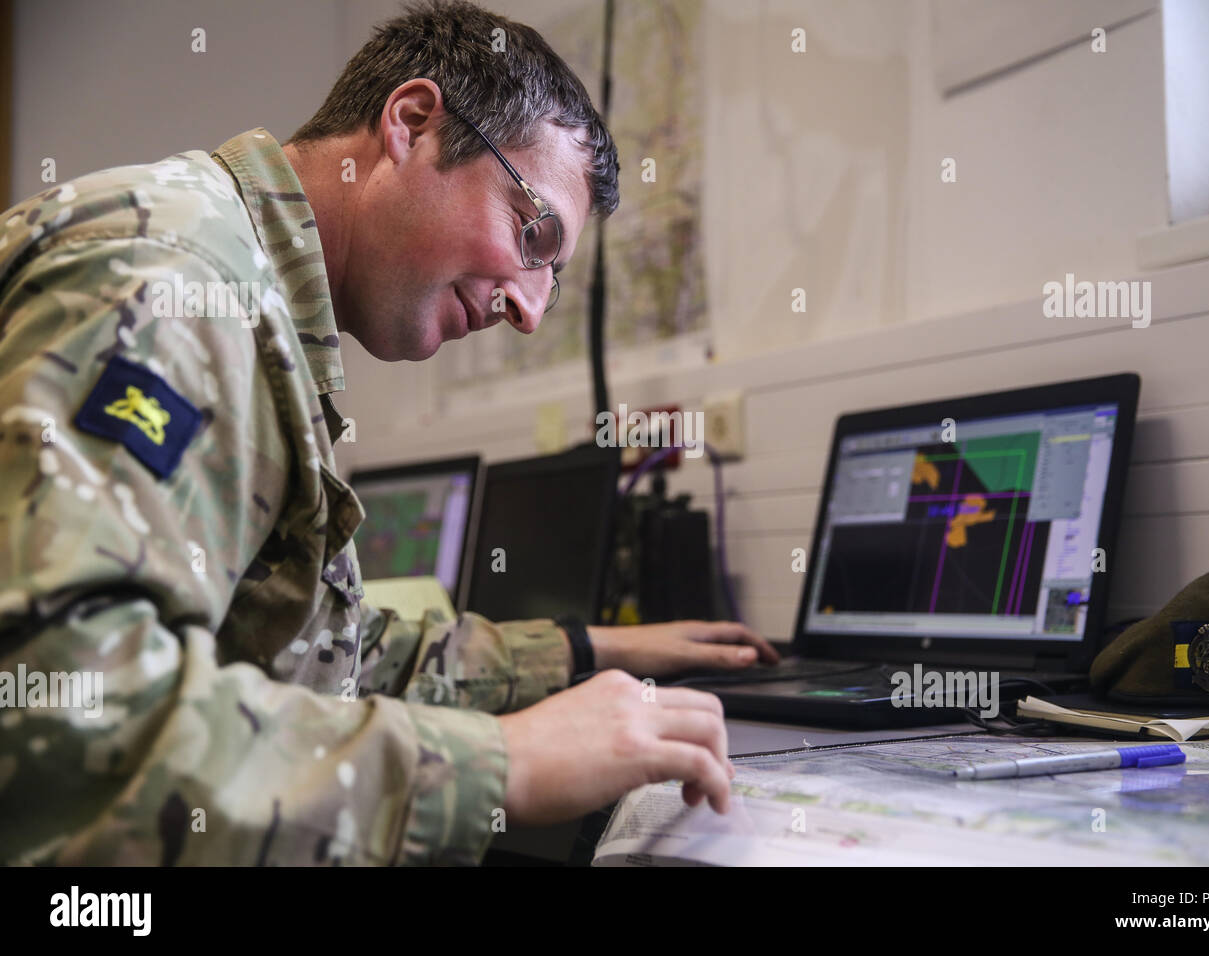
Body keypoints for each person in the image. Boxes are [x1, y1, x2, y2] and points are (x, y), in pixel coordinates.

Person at [0, 0, 776, 865]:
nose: (526, 309)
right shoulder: (174, 282)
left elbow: (315, 654)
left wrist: (588, 650)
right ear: (411, 123)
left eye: (550, 281)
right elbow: (60, 727)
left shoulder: (259, 305)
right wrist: (501, 765)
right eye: (535, 235)